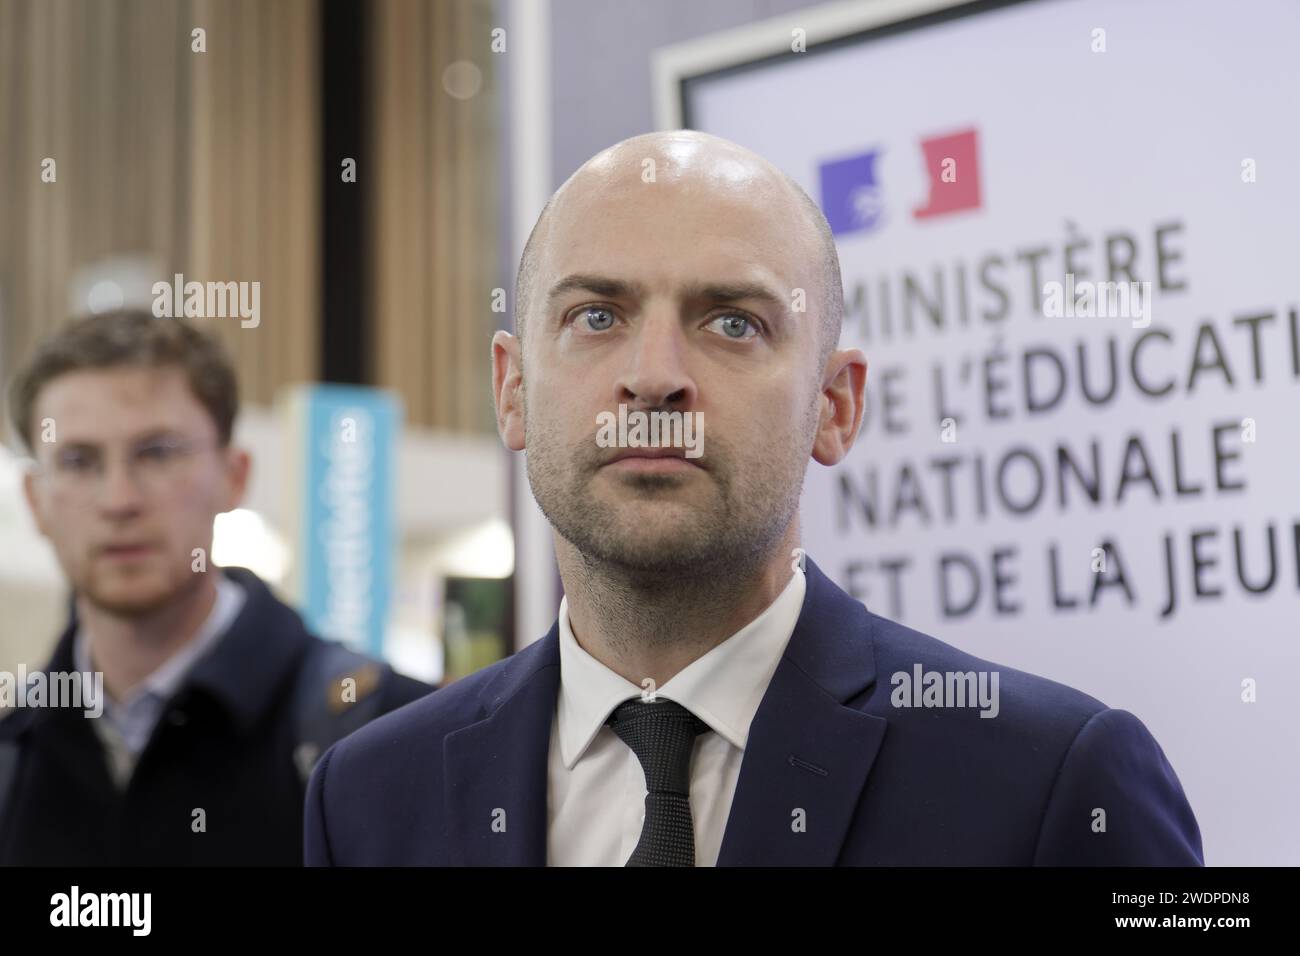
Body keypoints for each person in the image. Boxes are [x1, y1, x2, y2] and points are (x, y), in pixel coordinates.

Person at [304, 131, 1202, 866]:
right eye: (597, 317)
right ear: (512, 391)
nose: (653, 379)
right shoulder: (370, 802)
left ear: (834, 406)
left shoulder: (1051, 782)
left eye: (733, 322)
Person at [0, 310, 432, 865]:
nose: (119, 500)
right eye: (79, 461)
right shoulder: (16, 755)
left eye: (157, 453)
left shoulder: (392, 736)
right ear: (36, 500)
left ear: (235, 476)